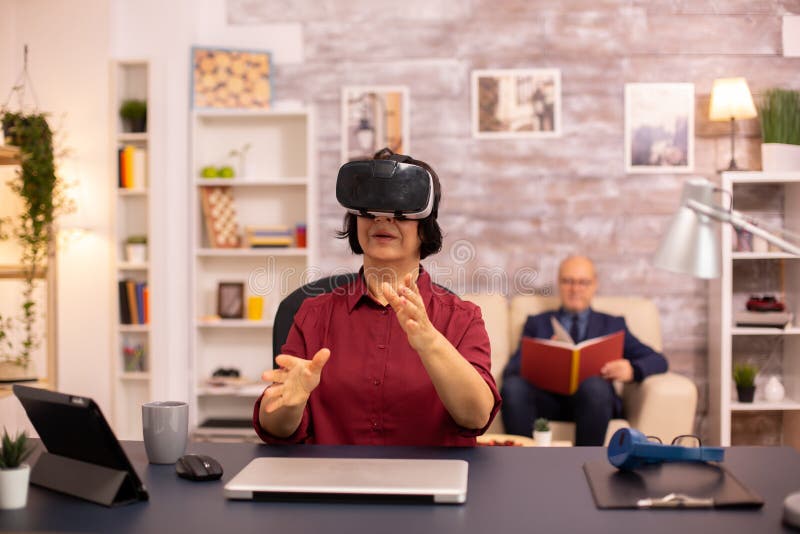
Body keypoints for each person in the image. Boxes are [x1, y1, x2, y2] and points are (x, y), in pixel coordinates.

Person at [253, 148, 500, 446]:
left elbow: (477, 417)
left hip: (428, 484)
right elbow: (274, 427)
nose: (383, 218)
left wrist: (430, 342)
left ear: (426, 227)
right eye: (371, 208)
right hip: (334, 483)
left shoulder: (461, 318)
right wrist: (291, 403)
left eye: (400, 208)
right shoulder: (312, 314)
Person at [500, 255, 668, 446]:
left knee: (595, 387)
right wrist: (544, 357)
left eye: (583, 282)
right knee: (513, 387)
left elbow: (658, 360)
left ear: (594, 284)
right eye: (568, 281)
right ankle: (522, 462)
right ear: (559, 284)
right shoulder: (537, 323)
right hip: (546, 403)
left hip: (593, 403)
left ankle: (586, 465)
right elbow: (511, 371)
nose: (575, 289)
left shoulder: (613, 325)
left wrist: (632, 370)